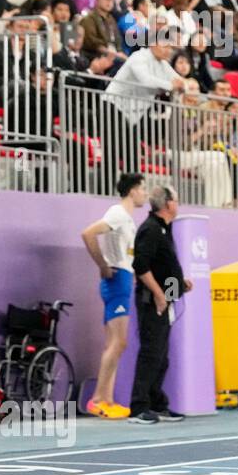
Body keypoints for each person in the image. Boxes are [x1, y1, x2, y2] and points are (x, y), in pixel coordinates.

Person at [78, 173, 148, 419]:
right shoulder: (117, 213)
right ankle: (98, 399)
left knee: (115, 344)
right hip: (117, 278)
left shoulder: (128, 220)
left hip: (124, 277)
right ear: (132, 191)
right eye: (142, 189)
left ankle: (106, 399)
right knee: (119, 342)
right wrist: (102, 265)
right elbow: (88, 233)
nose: (145, 194)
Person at [129, 184, 192, 424]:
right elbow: (141, 266)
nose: (178, 203)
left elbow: (163, 266)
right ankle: (138, 407)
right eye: (176, 199)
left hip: (166, 301)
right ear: (168, 204)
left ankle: (158, 404)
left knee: (161, 355)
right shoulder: (151, 229)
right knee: (150, 353)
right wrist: (158, 293)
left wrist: (179, 284)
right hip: (152, 302)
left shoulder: (166, 229)